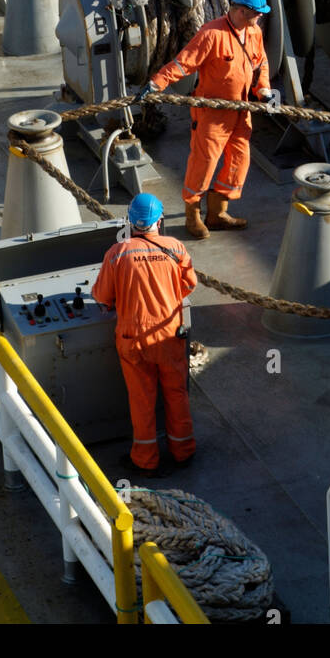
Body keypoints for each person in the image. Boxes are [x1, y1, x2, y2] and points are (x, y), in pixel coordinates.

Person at [139, 0, 273, 239]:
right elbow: (184, 63)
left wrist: (264, 90)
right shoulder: (212, 34)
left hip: (241, 110)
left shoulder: (254, 32)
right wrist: (157, 83)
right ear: (241, 11)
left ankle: (217, 213)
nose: (260, 17)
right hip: (212, 112)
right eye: (257, 12)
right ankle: (193, 216)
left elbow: (261, 63)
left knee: (239, 161)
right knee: (204, 163)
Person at [92, 193, 197, 478]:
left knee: (141, 399)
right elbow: (189, 285)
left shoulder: (117, 253)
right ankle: (183, 450)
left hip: (132, 339)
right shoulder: (176, 248)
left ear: (130, 221)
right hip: (168, 336)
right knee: (176, 393)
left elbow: (103, 298)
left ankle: (146, 458)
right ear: (159, 221)